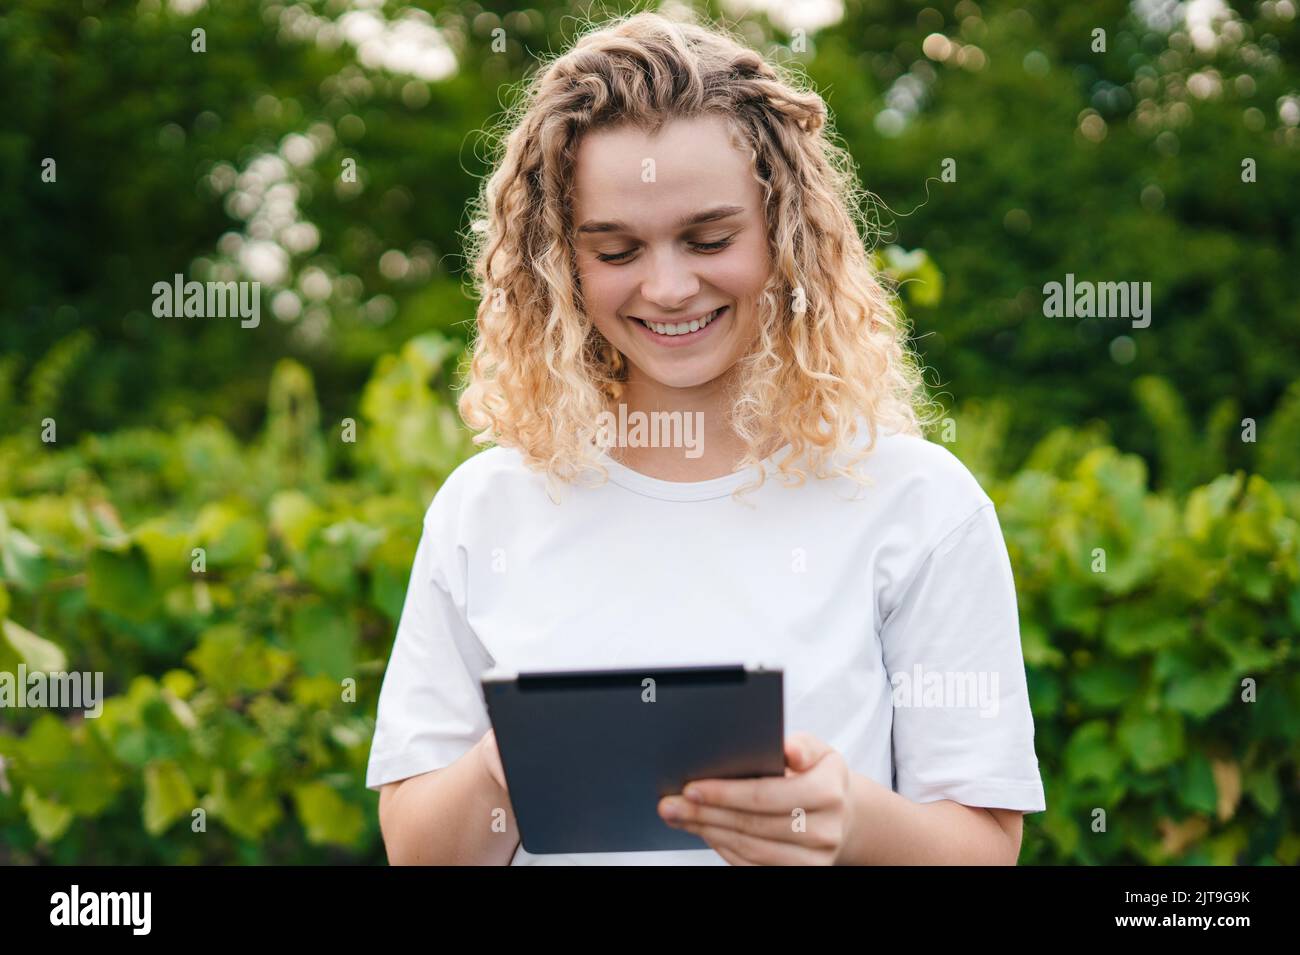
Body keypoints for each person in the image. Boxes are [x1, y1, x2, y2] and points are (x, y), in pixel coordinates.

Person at [366, 10, 1045, 865]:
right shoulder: (486, 508)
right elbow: (419, 854)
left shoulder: (918, 503)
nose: (669, 286)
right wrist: (509, 762)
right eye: (615, 250)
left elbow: (986, 846)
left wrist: (851, 824)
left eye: (710, 238)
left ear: (784, 229)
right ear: (560, 262)